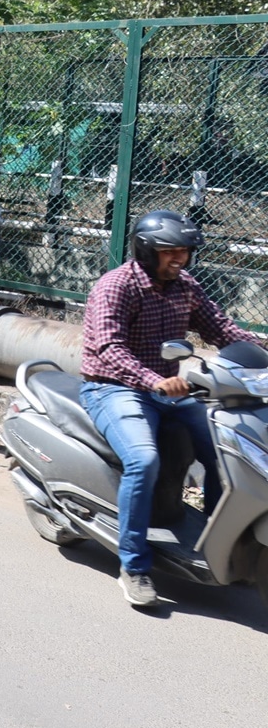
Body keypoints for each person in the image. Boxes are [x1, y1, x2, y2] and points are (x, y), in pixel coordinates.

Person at [80, 209, 253, 607]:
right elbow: (109, 349)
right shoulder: (116, 286)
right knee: (144, 460)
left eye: (184, 252)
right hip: (112, 389)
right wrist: (154, 380)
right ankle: (134, 567)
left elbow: (222, 330)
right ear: (145, 250)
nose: (179, 258)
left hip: (170, 392)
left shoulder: (184, 286)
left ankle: (221, 548)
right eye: (170, 252)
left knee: (229, 451)